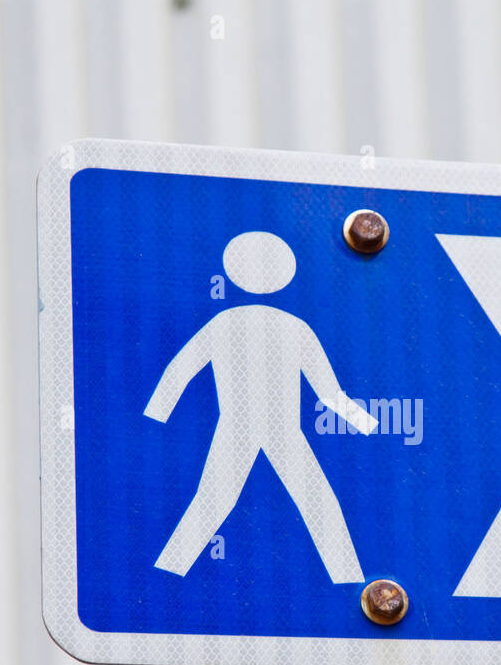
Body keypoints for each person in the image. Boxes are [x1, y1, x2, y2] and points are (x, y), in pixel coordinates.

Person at [145, 232, 378, 583]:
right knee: (313, 501)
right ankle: (347, 579)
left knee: (216, 499)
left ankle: (167, 572)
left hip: (248, 427)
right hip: (272, 428)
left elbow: (179, 369)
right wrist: (373, 425)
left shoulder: (225, 323)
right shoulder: (294, 328)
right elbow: (330, 394)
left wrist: (157, 416)